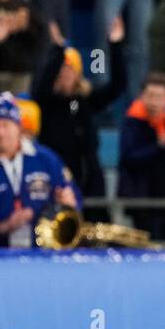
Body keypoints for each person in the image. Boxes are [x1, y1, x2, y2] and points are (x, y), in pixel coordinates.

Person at [0, 91, 78, 248]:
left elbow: (74, 195)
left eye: (5, 125)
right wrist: (2, 227)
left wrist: (70, 202)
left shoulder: (46, 159)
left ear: (18, 126)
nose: (0, 133)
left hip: (46, 255)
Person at [33, 44, 125, 212]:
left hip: (90, 179)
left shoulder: (86, 101)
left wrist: (115, 45)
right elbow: (41, 87)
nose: (65, 74)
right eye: (61, 70)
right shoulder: (46, 103)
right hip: (57, 179)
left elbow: (118, 85)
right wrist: (58, 50)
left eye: (70, 69)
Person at [118, 73, 165, 241]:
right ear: (142, 97)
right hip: (142, 198)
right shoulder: (132, 122)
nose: (154, 102)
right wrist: (158, 147)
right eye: (150, 96)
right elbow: (128, 158)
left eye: (159, 97)